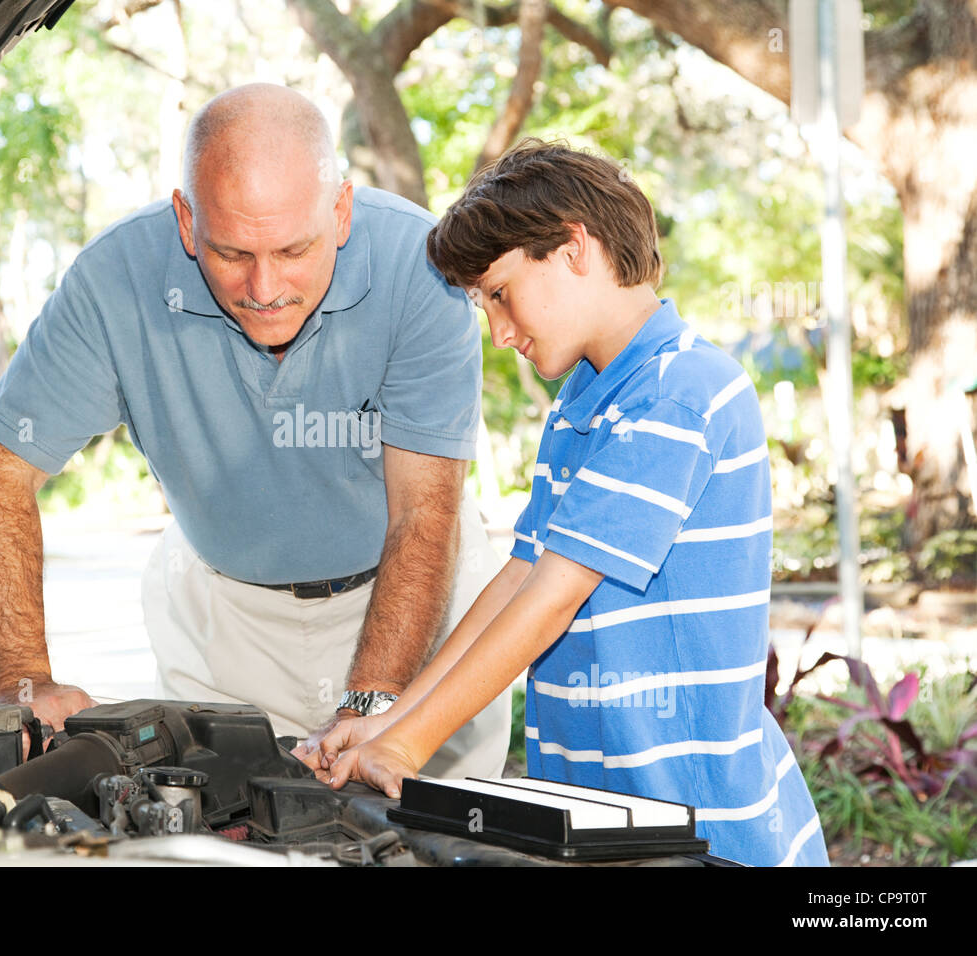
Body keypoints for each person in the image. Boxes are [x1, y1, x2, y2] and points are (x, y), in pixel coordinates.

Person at [0, 83, 510, 778]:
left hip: (415, 608)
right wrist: (23, 682)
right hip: (224, 621)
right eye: (231, 254)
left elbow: (425, 515)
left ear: (340, 212)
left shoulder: (419, 267)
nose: (264, 286)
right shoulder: (113, 282)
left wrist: (373, 703)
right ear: (187, 222)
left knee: (433, 841)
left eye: (292, 250)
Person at [303, 139, 830, 867]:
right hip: (594, 813)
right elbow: (522, 575)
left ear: (574, 249)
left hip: (699, 826)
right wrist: (395, 717)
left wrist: (411, 744)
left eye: (500, 293)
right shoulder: (582, 402)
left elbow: (554, 595)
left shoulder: (679, 393)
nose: (500, 331)